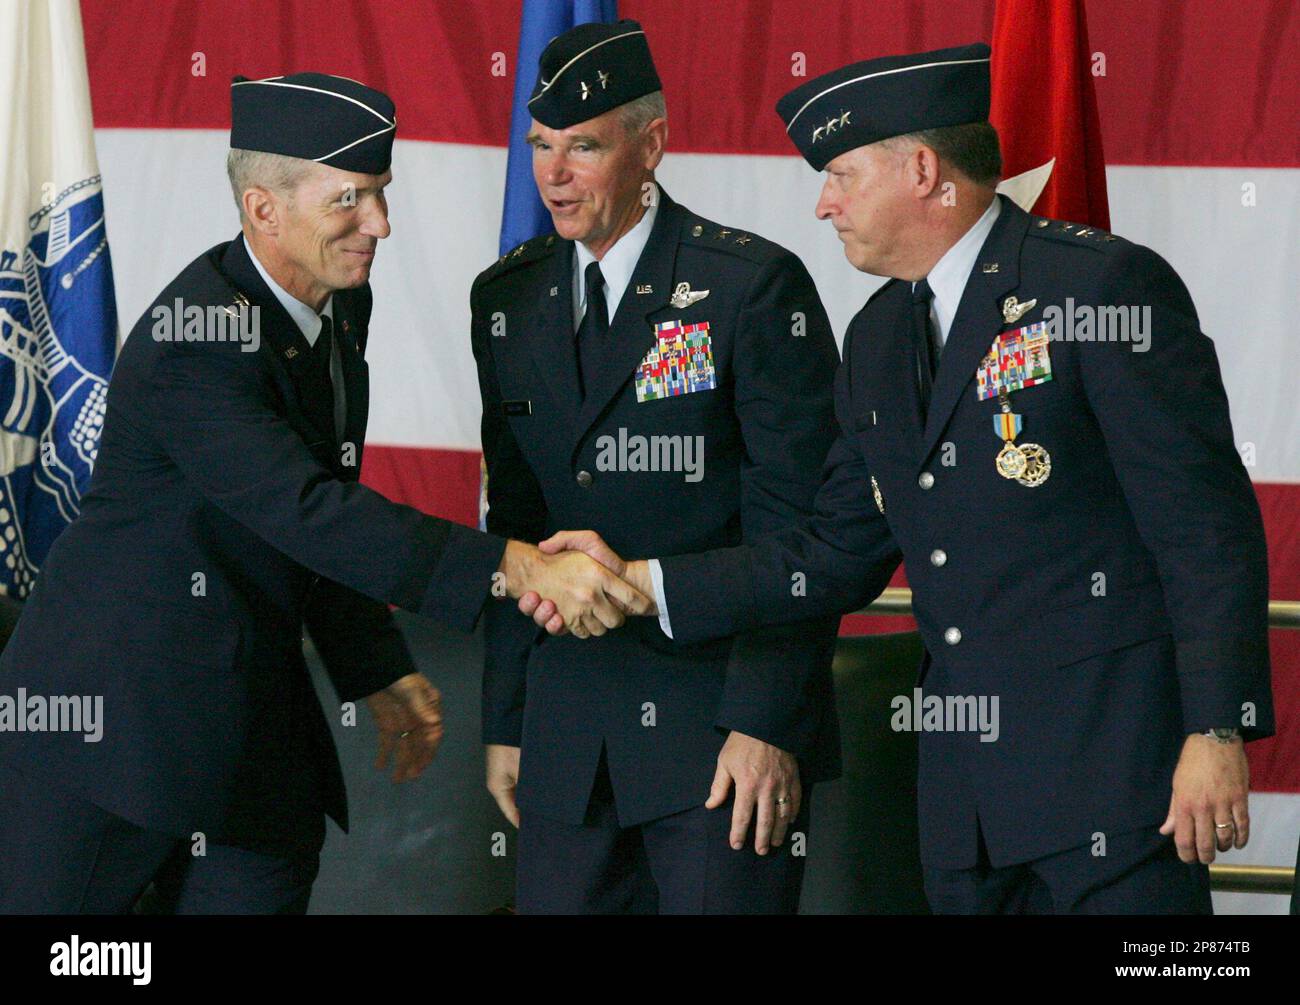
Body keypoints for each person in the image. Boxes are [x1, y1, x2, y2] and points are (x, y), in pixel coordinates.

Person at [525, 44, 1275, 914]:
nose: (824, 203)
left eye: (841, 175)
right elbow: (833, 550)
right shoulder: (879, 336)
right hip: (967, 804)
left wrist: (1216, 727)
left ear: (922, 171)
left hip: (1119, 780)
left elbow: (1204, 527)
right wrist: (642, 580)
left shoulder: (1099, 287)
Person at [0, 72, 647, 915]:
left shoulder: (339, 302)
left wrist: (373, 665)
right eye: (350, 199)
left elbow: (318, 504)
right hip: (110, 728)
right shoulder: (196, 341)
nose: (379, 223)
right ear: (263, 208)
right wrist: (522, 566)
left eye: (380, 192)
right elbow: (307, 510)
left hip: (251, 725)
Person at [474, 20, 841, 914]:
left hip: (716, 739)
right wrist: (507, 717)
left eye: (584, 147)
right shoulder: (506, 296)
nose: (554, 174)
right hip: (565, 738)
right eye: (540, 146)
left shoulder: (749, 287)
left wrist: (765, 720)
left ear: (651, 146)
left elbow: (803, 532)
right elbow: (513, 519)